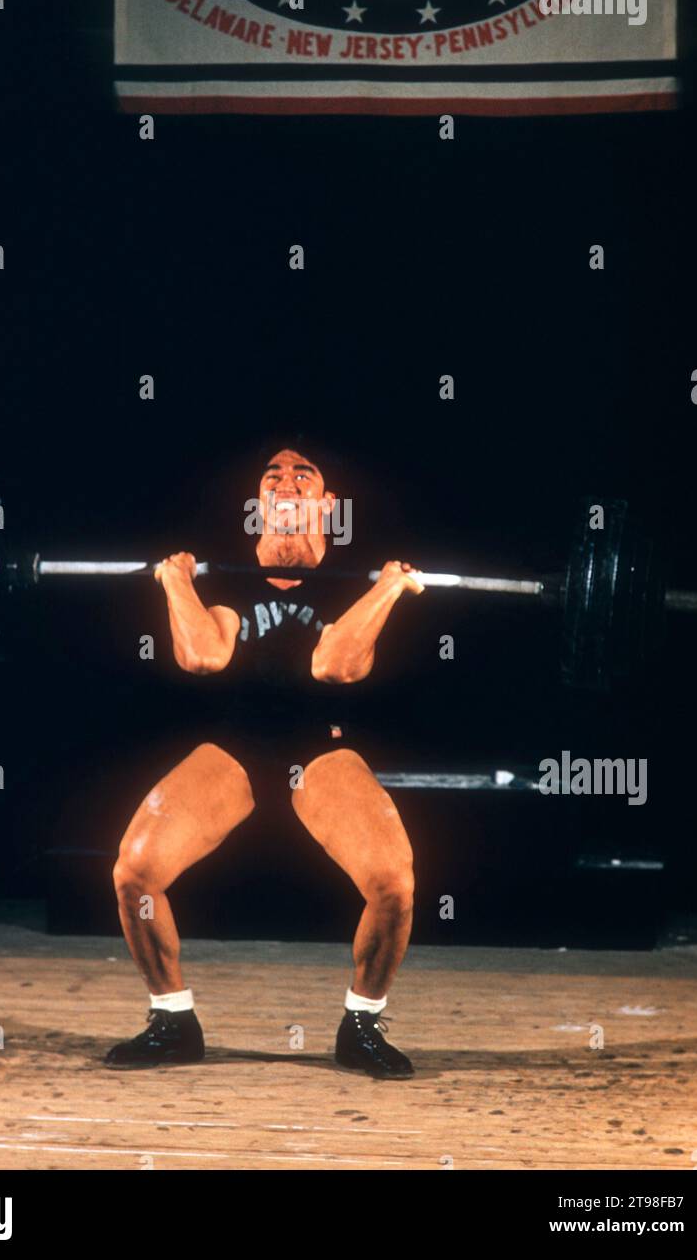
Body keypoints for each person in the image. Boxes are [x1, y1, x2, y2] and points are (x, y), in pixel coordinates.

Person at [105, 447, 423, 1079]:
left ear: (327, 507)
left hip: (321, 749)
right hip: (238, 750)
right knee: (134, 871)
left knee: (395, 884)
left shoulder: (357, 576)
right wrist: (174, 581)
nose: (286, 481)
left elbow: (336, 665)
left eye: (303, 474)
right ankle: (173, 1022)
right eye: (273, 476)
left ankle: (360, 1025)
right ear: (258, 505)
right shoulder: (223, 579)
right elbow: (201, 657)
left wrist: (388, 589)